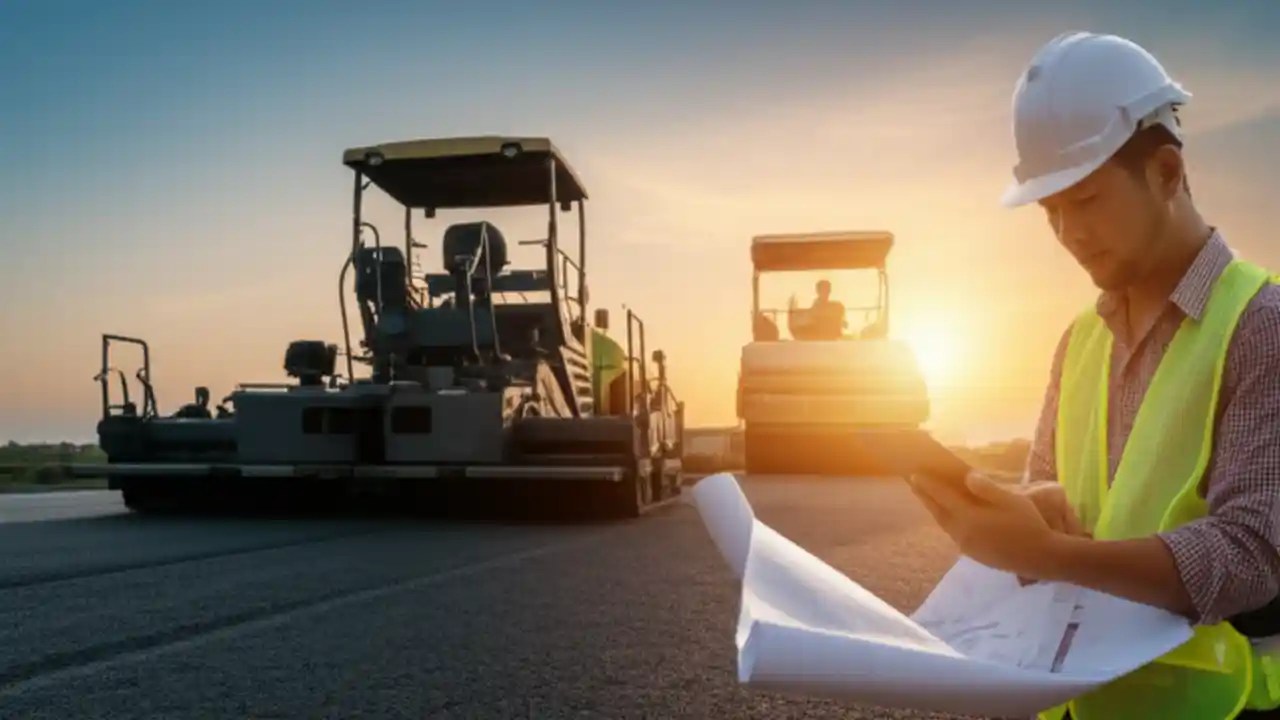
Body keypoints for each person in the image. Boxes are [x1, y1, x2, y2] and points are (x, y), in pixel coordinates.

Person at [905, 31, 1280, 720]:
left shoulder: (1262, 324)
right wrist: (1032, 511)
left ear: (1167, 173)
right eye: (1051, 212)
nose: (1069, 234)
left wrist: (1049, 554)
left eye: (1086, 202)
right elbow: (1054, 500)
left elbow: (1250, 557)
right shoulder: (1077, 343)